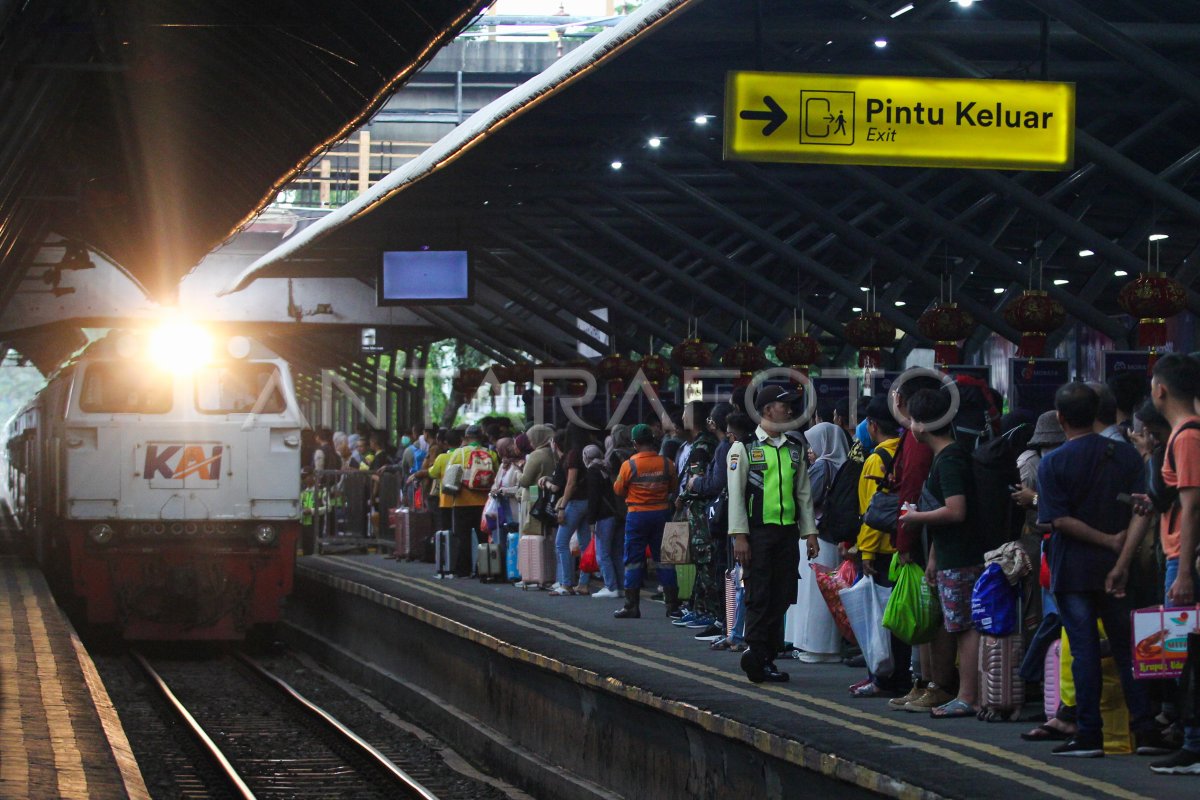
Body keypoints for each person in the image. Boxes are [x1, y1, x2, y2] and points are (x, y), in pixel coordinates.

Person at [1037, 382, 1169, 758]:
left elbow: (1058, 520)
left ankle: (1089, 733)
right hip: (1120, 570)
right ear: (1098, 412)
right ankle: (1144, 729)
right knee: (1130, 651)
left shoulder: (1053, 462)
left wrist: (1105, 540)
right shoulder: (1126, 457)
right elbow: (1141, 509)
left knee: (1083, 652)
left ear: (1060, 418)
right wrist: (1121, 555)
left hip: (1073, 571)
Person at [901, 388, 986, 718]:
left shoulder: (949, 460)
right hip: (951, 553)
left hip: (961, 556)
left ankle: (968, 697)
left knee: (964, 627)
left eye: (911, 420)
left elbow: (955, 510)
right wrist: (933, 556)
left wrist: (915, 518)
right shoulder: (950, 456)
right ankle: (967, 695)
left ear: (921, 425)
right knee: (961, 625)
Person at [727, 385, 817, 684]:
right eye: (784, 405)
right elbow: (736, 496)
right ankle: (756, 654)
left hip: (787, 534)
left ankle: (766, 656)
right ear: (767, 410)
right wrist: (740, 535)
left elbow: (803, 493)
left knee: (782, 595)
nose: (790, 410)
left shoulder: (794, 447)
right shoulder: (744, 448)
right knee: (759, 594)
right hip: (757, 534)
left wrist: (810, 532)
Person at [1145, 354, 1200, 774]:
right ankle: (1187, 736)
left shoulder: (1186, 437)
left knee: (1185, 653)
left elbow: (1193, 506)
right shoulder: (1185, 435)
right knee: (1181, 652)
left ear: (1160, 389)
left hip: (1184, 559)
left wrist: (1183, 571)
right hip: (1178, 555)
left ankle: (1192, 742)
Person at [851, 394, 908, 698]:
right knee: (899, 617)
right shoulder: (908, 450)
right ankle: (899, 676)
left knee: (880, 619)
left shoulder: (876, 459)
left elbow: (871, 512)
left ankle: (883, 678)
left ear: (872, 425)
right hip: (903, 545)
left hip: (882, 551)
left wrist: (867, 552)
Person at [782, 421, 847, 664]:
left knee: (814, 594)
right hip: (830, 537)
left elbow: (805, 497)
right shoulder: (842, 464)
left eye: (813, 443)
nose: (809, 449)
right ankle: (825, 646)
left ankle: (815, 646)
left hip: (815, 535)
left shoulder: (822, 466)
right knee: (828, 592)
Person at [612, 423, 679, 619]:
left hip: (637, 516)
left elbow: (618, 489)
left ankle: (631, 606)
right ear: (652, 440)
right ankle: (672, 606)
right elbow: (673, 486)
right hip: (662, 514)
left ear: (634, 443)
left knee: (633, 561)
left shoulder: (629, 465)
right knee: (665, 560)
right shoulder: (667, 463)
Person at [687, 402, 736, 643]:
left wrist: (696, 484)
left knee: (721, 569)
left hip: (723, 517)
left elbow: (716, 484)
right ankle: (725, 622)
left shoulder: (722, 448)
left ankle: (724, 621)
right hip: (728, 517)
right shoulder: (724, 446)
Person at [551, 425, 595, 596]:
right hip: (588, 502)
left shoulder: (573, 454)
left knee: (561, 543)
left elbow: (571, 483)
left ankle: (566, 583)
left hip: (575, 502)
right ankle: (583, 584)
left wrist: (562, 506)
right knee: (584, 544)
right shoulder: (588, 452)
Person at [584, 443, 623, 599]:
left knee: (603, 553)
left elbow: (594, 498)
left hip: (604, 516)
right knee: (616, 553)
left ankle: (611, 586)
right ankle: (621, 586)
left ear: (586, 457)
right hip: (617, 514)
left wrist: (591, 520)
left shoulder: (592, 472)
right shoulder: (606, 468)